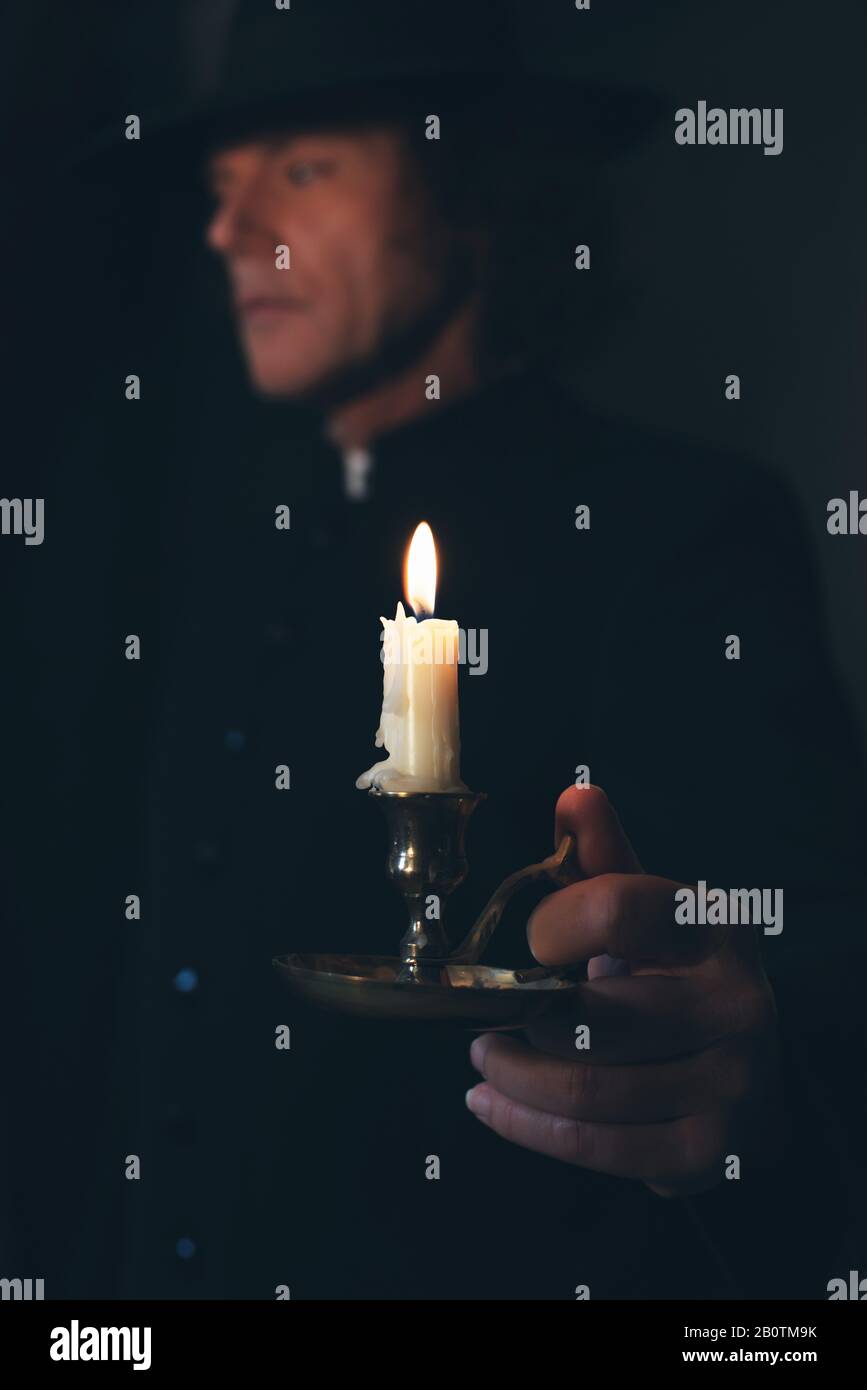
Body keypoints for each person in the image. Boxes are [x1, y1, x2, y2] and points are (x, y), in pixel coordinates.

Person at [7, 0, 866, 1300]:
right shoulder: (181, 537)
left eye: (301, 168)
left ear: (472, 185)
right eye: (222, 186)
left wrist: (737, 1081)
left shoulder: (675, 526)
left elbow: (792, 991)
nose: (230, 230)